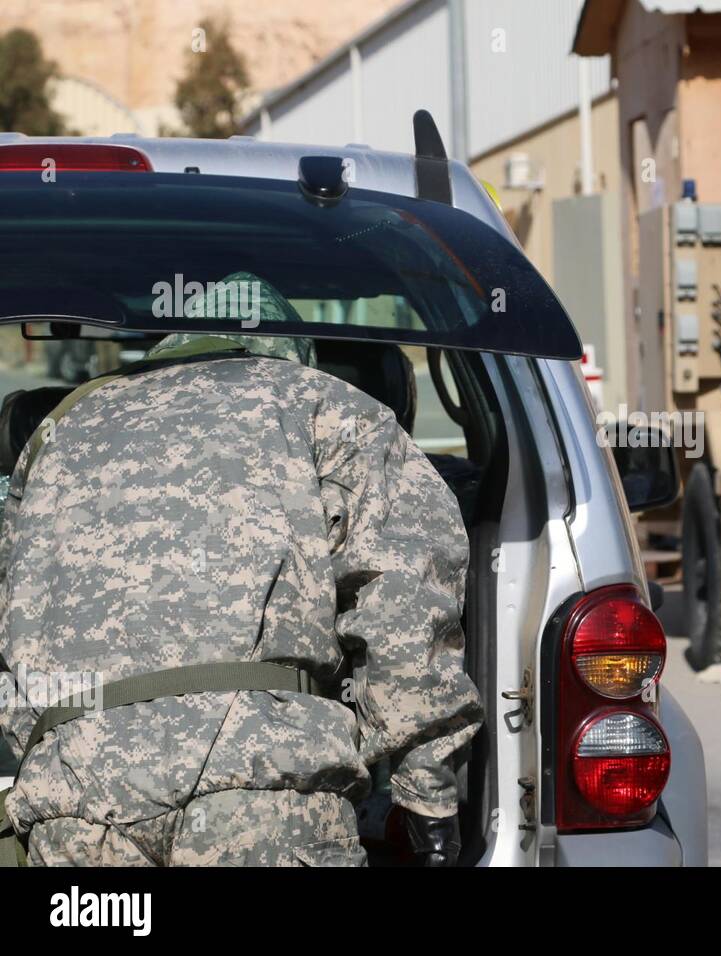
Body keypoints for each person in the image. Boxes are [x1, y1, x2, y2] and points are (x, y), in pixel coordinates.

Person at [0, 276, 482, 865]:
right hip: (264, 790)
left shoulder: (63, 431)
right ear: (291, 353)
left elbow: (11, 616)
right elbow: (407, 599)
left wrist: (57, 753)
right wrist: (425, 794)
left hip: (76, 805)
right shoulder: (327, 407)